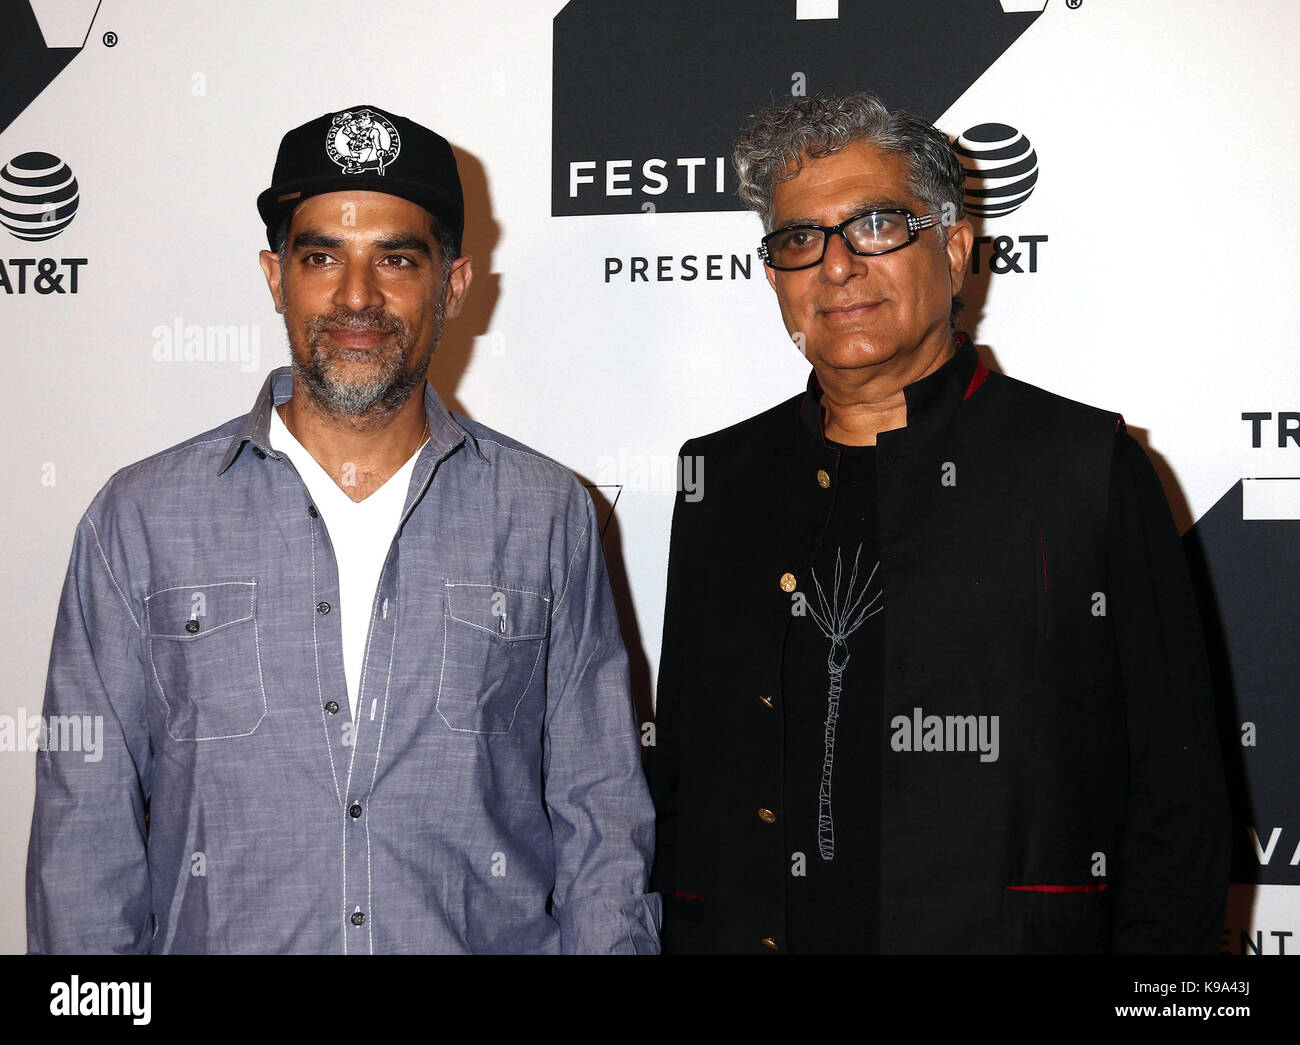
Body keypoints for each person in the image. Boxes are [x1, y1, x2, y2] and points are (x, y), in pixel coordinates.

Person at [26, 104, 660, 954]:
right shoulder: (139, 518)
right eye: (321, 256)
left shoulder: (547, 514)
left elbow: (601, 812)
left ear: (454, 284)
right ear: (275, 277)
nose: (356, 297)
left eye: (396, 258)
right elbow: (84, 845)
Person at [646, 92, 1229, 954]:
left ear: (954, 249)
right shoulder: (719, 479)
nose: (836, 267)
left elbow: (1177, 795)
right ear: (774, 276)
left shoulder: (1082, 464)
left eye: (877, 225)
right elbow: (683, 777)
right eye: (800, 239)